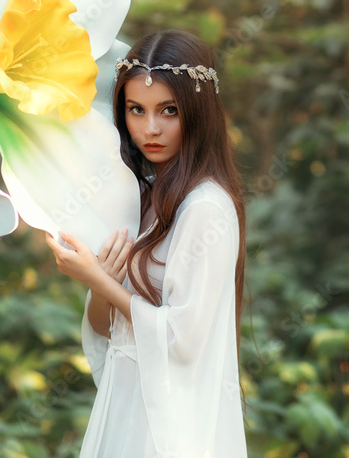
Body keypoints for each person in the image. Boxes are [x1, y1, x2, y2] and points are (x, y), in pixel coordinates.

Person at [45, 28, 248, 458]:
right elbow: (107, 329)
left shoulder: (206, 207)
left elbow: (181, 338)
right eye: (136, 110)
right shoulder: (143, 197)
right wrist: (100, 281)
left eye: (168, 111)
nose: (150, 128)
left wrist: (97, 281)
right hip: (125, 406)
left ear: (197, 111)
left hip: (169, 430)